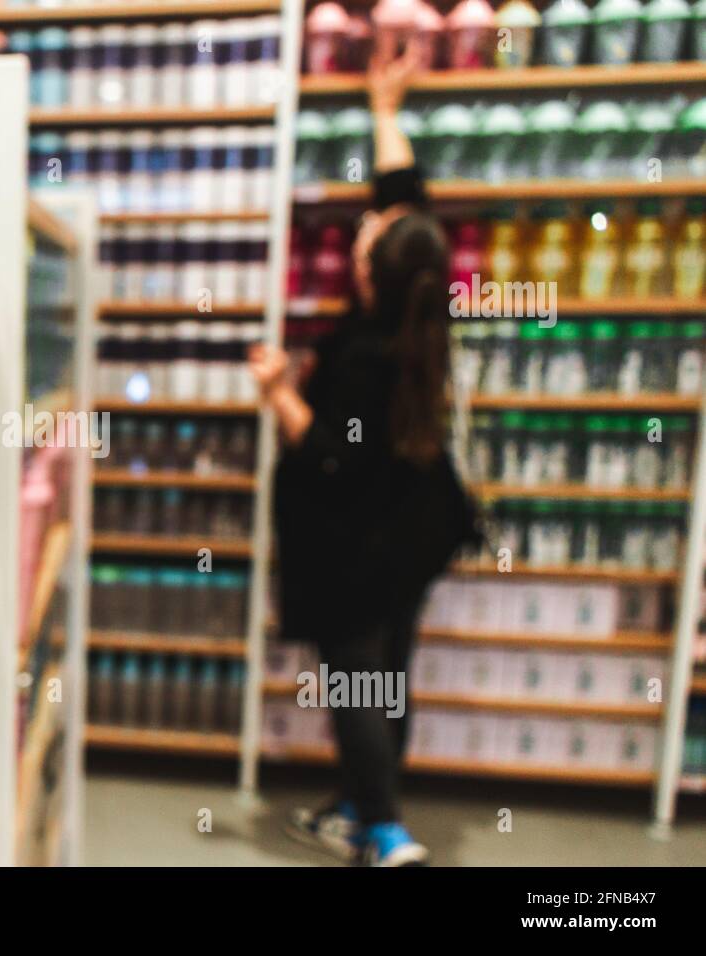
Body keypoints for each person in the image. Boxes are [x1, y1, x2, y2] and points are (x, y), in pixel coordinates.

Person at [248, 47, 480, 867]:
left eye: (369, 231)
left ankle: (382, 829)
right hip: (414, 532)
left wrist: (277, 389)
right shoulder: (421, 312)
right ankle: (360, 804)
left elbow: (327, 457)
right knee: (390, 672)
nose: (365, 223)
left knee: (356, 682)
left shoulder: (362, 357)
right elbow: (406, 203)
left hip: (358, 543)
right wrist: (385, 108)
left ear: (373, 272)